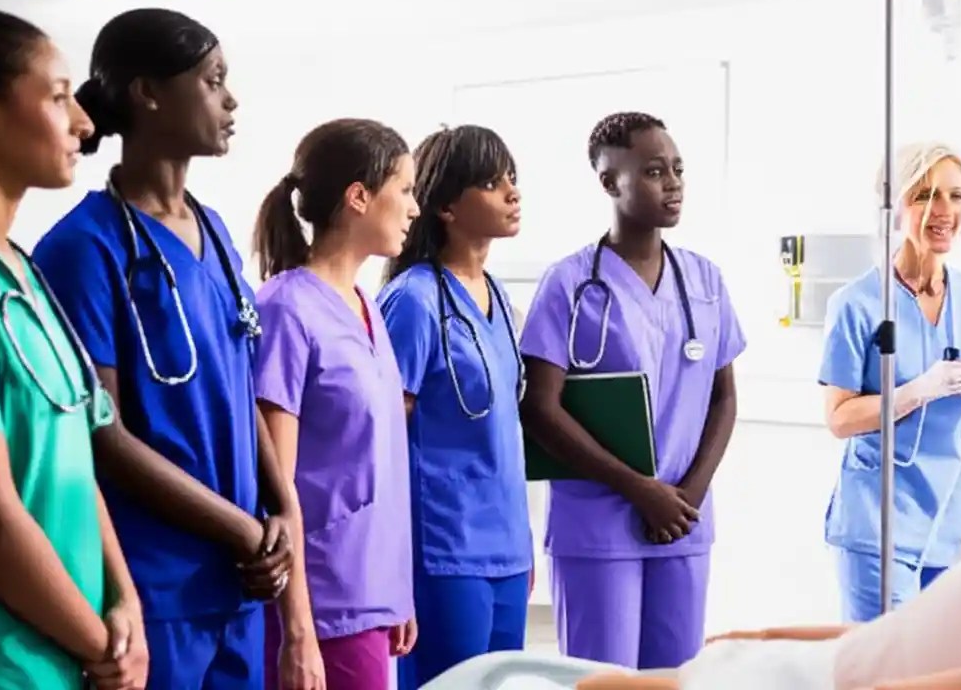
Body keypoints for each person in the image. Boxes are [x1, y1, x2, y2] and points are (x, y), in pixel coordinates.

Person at [32, 8, 296, 689]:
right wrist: (241, 531)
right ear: (149, 92)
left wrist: (279, 510)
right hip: (157, 590)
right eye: (212, 80)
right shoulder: (83, 249)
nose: (230, 99)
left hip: (241, 583)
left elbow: (239, 386)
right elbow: (103, 435)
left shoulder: (214, 231)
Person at [0, 7, 147, 688]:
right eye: (57, 95)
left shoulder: (20, 270)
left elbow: (75, 453)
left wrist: (123, 600)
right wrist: (99, 644)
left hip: (69, 649)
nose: (83, 121)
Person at [517, 111, 746, 669]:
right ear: (608, 182)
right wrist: (640, 490)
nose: (671, 183)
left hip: (683, 523)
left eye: (677, 169)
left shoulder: (705, 280)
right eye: (652, 171)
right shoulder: (569, 283)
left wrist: (687, 495)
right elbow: (540, 409)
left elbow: (724, 398)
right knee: (602, 679)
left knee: (675, 678)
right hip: (598, 522)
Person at [570, 493, 961, 690]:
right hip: (797, 662)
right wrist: (765, 634)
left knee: (597, 686)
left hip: (802, 686)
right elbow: (904, 632)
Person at [818, 141, 961, 622]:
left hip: (954, 518)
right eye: (926, 195)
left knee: (947, 666)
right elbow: (840, 418)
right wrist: (916, 391)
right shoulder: (859, 304)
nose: (944, 211)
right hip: (879, 523)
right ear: (895, 206)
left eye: (956, 196)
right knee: (887, 665)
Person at [252, 118, 420, 690]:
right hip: (321, 605)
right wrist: (297, 630)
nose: (414, 208)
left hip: (371, 601)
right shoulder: (286, 310)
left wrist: (398, 593)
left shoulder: (367, 308)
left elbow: (380, 466)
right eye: (405, 189)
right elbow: (276, 487)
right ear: (358, 197)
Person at [377, 125, 533, 688]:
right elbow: (383, 440)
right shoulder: (413, 301)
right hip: (443, 551)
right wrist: (389, 567)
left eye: (513, 179)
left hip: (507, 548)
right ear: (444, 204)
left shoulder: (499, 295)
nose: (512, 193)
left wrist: (525, 549)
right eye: (492, 183)